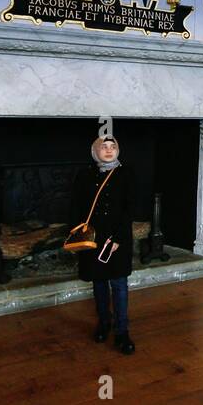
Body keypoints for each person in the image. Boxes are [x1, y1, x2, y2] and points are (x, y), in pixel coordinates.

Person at [71, 136, 137, 354]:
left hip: (117, 239)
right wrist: (79, 233)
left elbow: (130, 208)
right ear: (95, 151)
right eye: (104, 147)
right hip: (93, 239)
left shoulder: (126, 174)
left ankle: (122, 332)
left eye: (113, 146)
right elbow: (77, 205)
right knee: (98, 282)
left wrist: (118, 238)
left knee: (118, 284)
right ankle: (103, 323)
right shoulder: (85, 175)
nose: (109, 150)